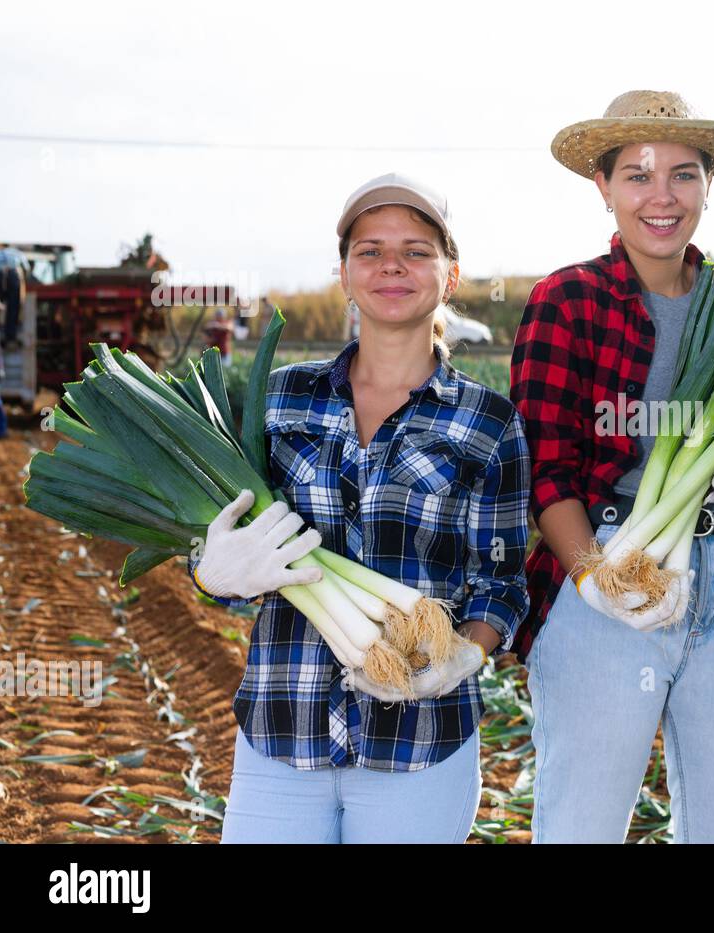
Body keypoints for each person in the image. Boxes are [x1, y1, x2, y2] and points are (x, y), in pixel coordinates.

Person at [188, 173, 531, 843]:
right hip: (281, 734)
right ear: (344, 275)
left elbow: (503, 581)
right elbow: (219, 539)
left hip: (421, 743)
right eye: (370, 250)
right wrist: (212, 572)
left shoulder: (489, 422)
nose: (391, 266)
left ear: (451, 274)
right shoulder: (278, 399)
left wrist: (463, 654)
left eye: (416, 250)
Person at [510, 91, 714, 843]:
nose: (662, 197)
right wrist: (594, 575)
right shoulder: (568, 300)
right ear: (604, 188)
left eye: (683, 174)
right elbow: (543, 469)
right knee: (581, 824)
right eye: (638, 176)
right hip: (606, 566)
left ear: (709, 187)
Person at [0, 243, 30, 348]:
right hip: (13, 276)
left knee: (1, 304)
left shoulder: (0, 253)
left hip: (0, 275)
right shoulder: (18, 253)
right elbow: (26, 269)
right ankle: (10, 336)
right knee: (13, 307)